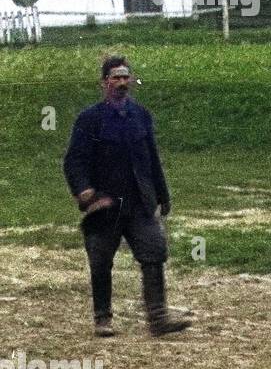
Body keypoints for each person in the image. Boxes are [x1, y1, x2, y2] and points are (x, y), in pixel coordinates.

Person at [62, 55, 191, 338]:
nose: (122, 83)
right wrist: (83, 190)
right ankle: (102, 318)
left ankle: (158, 318)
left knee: (154, 253)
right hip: (105, 204)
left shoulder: (141, 115)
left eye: (125, 77)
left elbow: (152, 158)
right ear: (104, 82)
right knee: (100, 261)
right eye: (115, 78)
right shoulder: (90, 119)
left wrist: (162, 194)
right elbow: (74, 161)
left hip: (138, 202)